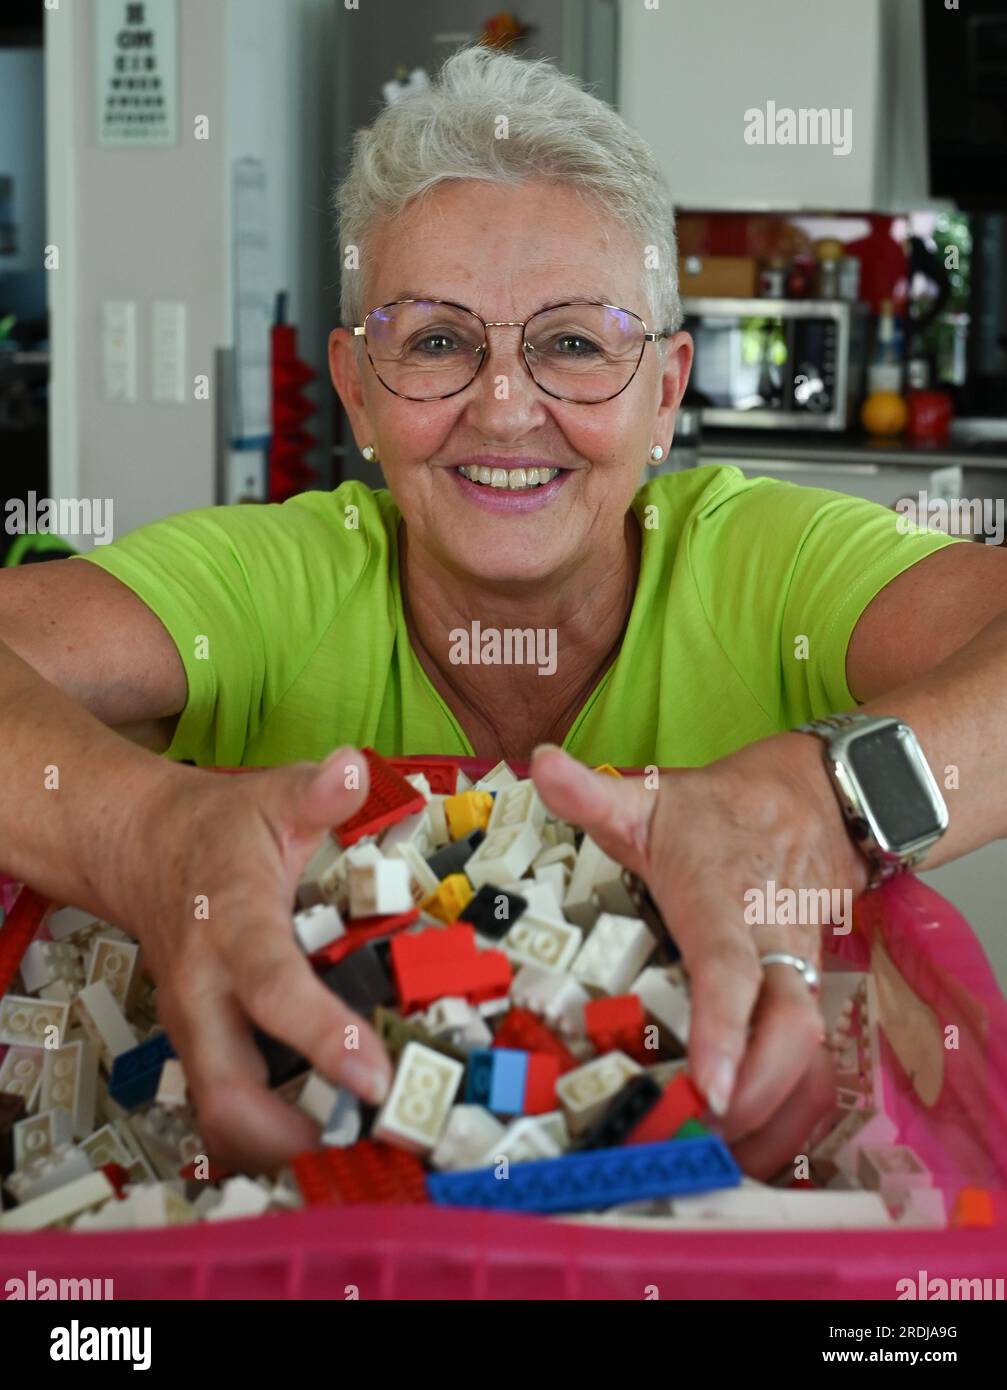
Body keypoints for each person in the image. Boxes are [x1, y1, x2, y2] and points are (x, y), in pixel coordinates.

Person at [1, 48, 1004, 1176]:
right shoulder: (270, 580)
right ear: (357, 389)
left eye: (573, 342)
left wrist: (823, 797)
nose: (506, 405)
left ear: (665, 389)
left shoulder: (768, 567)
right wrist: (143, 831)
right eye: (435, 340)